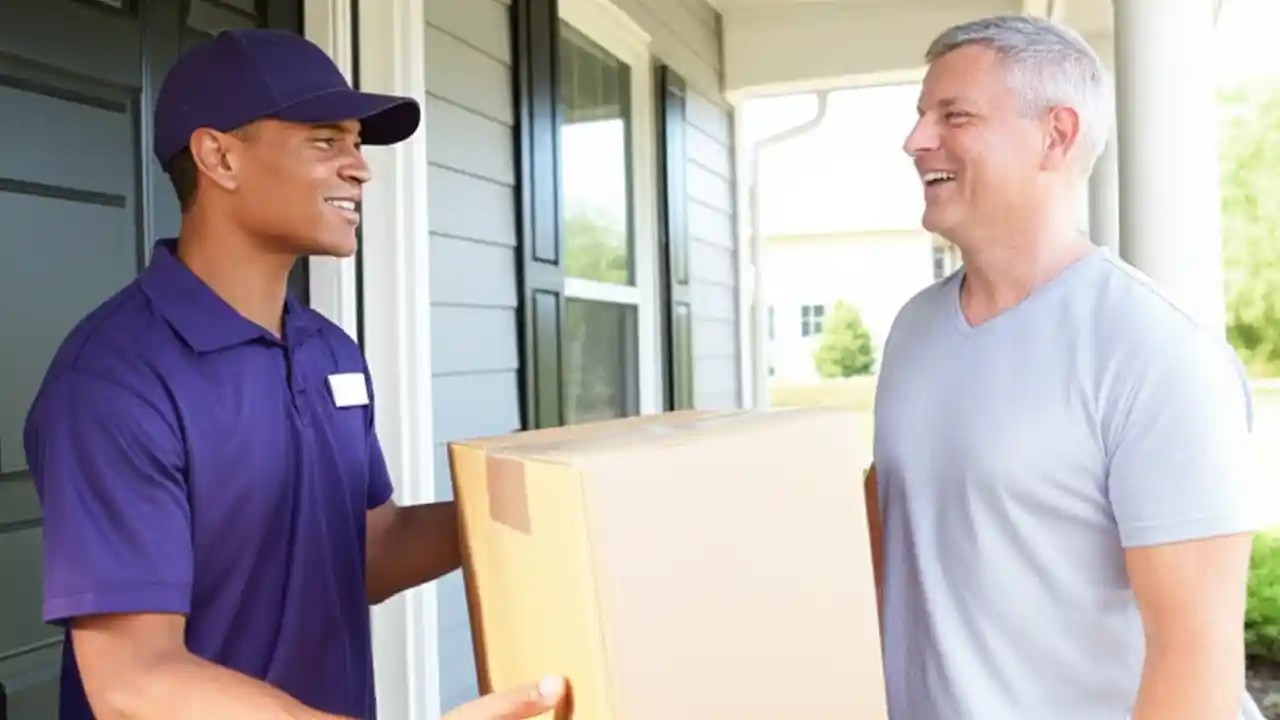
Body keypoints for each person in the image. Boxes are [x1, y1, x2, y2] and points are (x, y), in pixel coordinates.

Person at [23, 29, 564, 720]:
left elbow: (369, 548)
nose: (360, 168)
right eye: (325, 140)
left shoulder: (330, 352)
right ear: (218, 156)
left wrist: (537, 511)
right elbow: (135, 680)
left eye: (357, 143)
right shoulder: (113, 381)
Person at [867, 15, 1263, 720]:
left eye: (953, 115)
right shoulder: (913, 332)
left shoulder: (1152, 351)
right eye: (921, 115)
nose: (916, 140)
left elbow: (1195, 656)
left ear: (1056, 134)